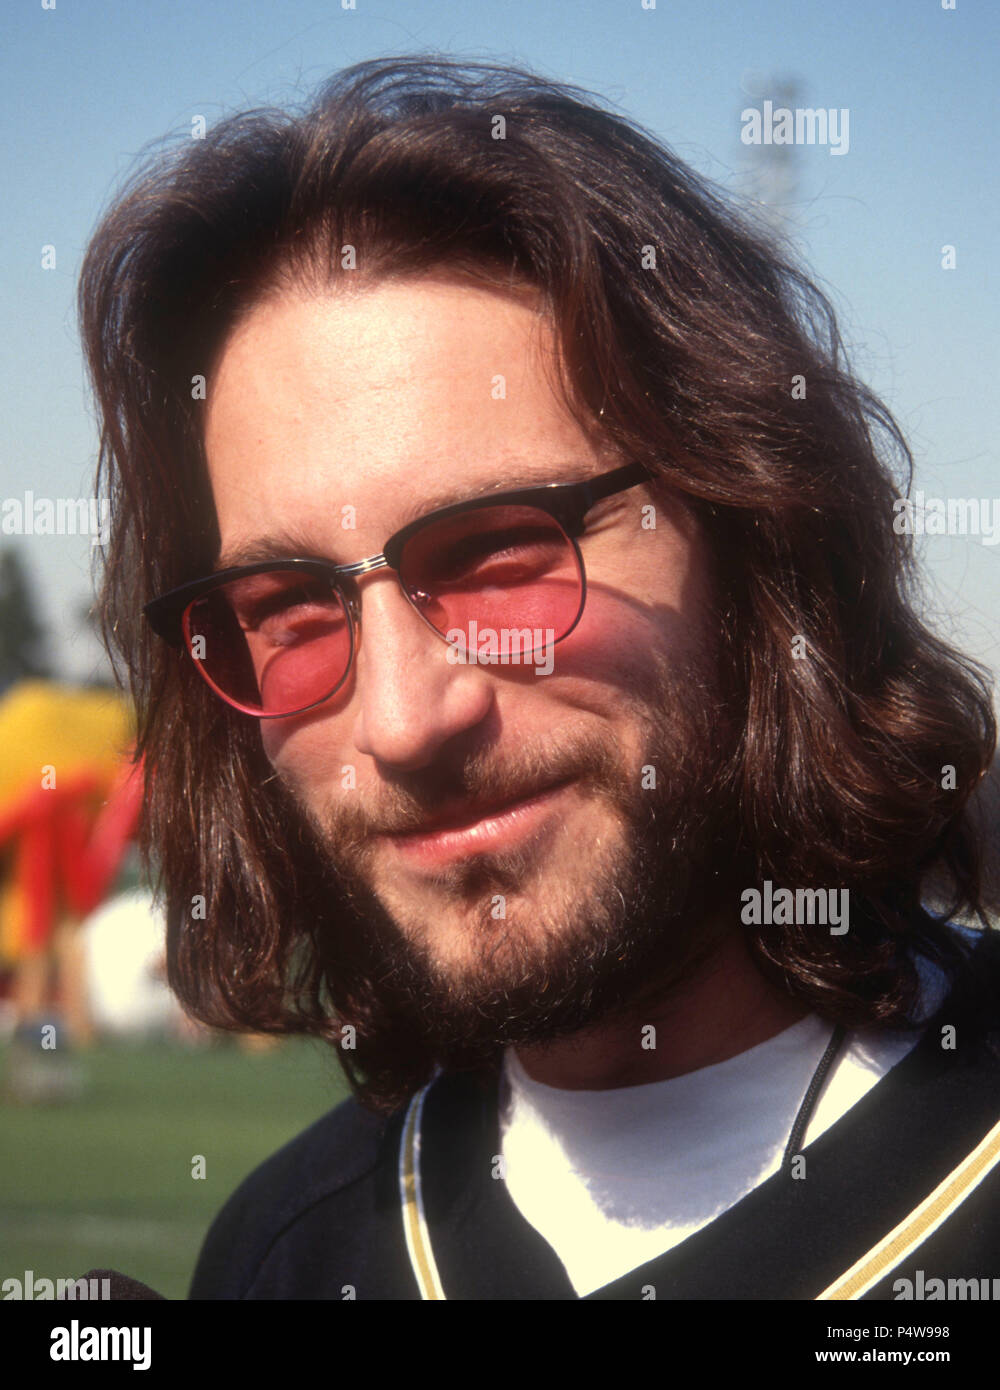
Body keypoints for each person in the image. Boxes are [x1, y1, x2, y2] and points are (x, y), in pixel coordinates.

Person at [78, 55, 1000, 1301]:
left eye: (504, 552)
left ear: (758, 540)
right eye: (289, 608)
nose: (405, 721)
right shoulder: (289, 1253)